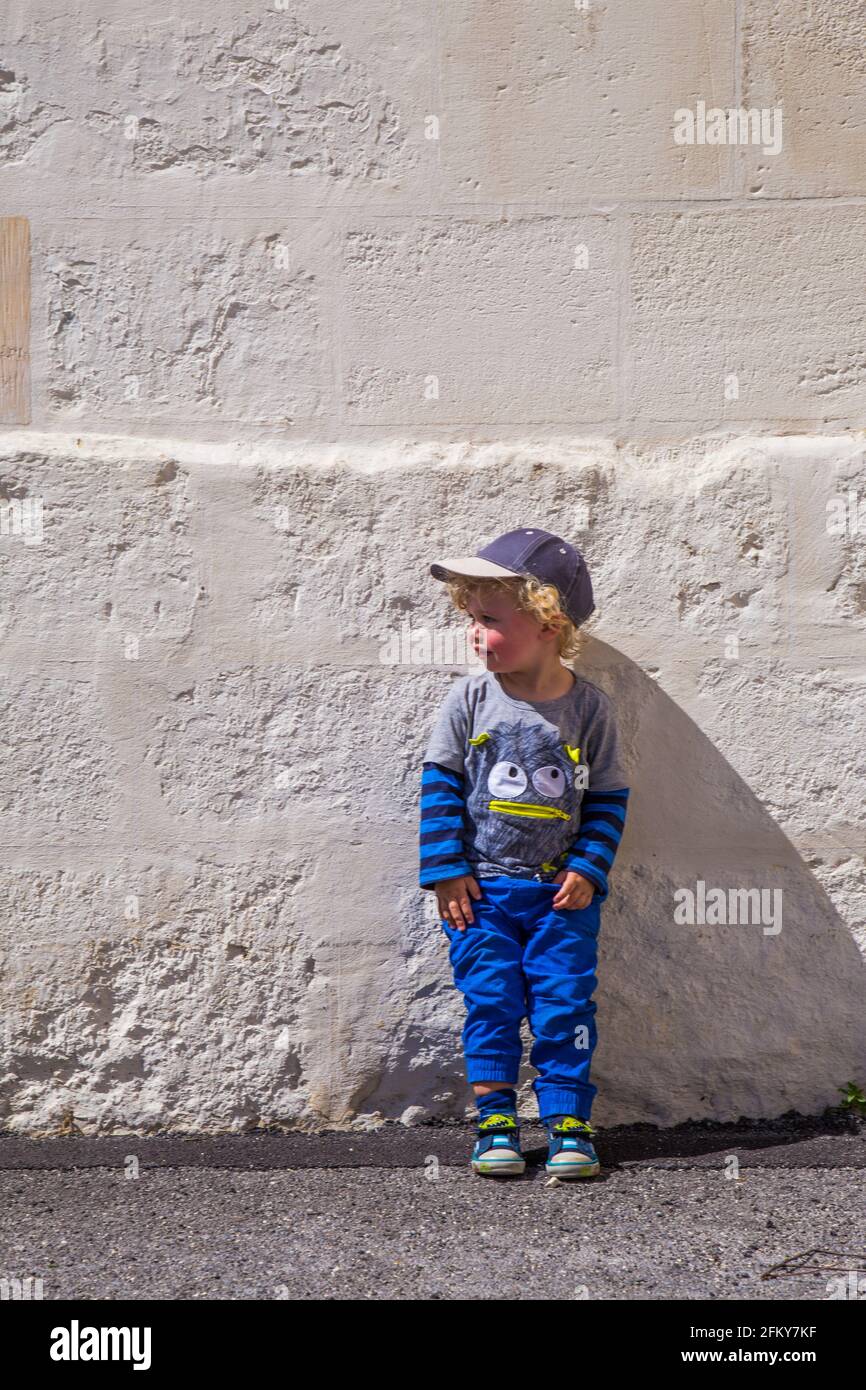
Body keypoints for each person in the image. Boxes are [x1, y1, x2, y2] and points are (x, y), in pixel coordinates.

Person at [419, 527, 630, 1178]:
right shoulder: (470, 700)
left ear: (547, 621)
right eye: (472, 619)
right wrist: (447, 871)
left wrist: (590, 868)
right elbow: (439, 786)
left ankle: (568, 1125)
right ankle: (497, 1125)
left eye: (490, 620)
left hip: (561, 901)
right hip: (481, 897)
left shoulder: (589, 710)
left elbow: (609, 798)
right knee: (491, 1004)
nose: (475, 634)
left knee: (566, 1006)